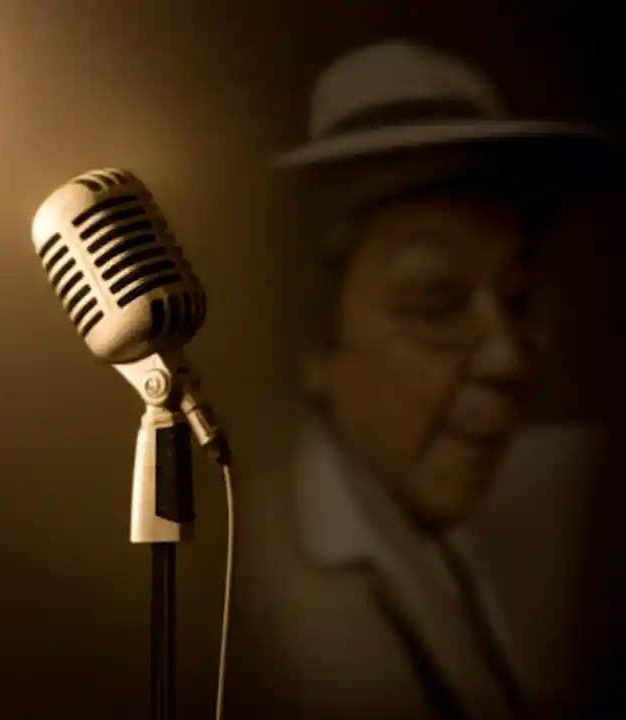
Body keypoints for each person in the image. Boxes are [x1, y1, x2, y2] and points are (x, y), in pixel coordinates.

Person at [225, 40, 618, 719]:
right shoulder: (273, 605)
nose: (508, 359)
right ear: (314, 343)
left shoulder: (439, 517)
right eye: (435, 303)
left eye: (517, 297)